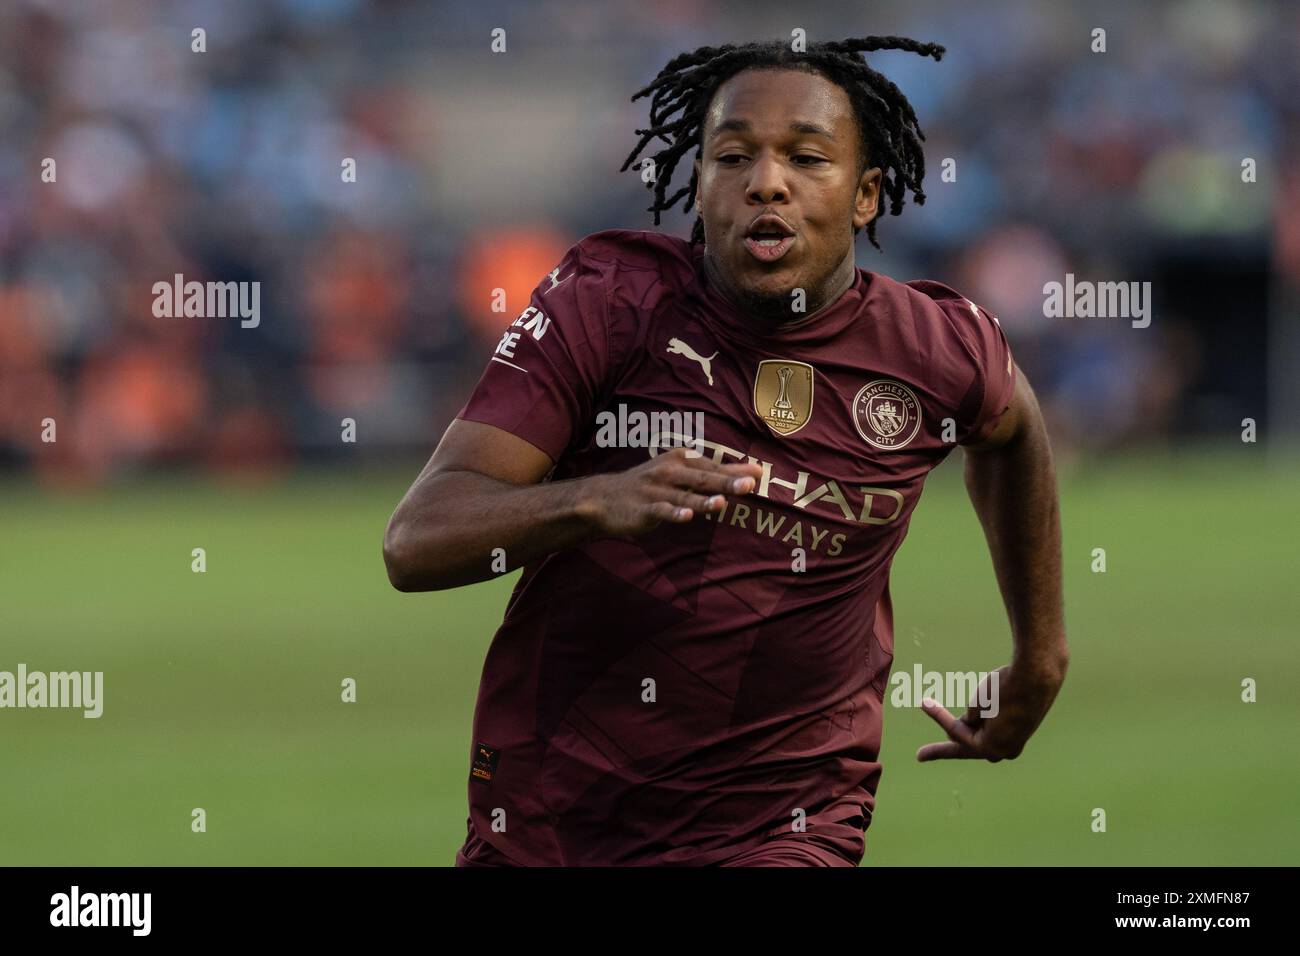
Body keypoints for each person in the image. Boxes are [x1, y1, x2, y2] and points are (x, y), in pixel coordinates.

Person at [384, 35, 1068, 866]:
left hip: (787, 823)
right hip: (557, 813)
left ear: (865, 195)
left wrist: (1039, 651)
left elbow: (1013, 432)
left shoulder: (935, 348)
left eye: (807, 158)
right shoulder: (609, 305)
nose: (766, 181)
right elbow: (415, 542)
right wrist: (590, 502)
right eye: (733, 156)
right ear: (700, 188)